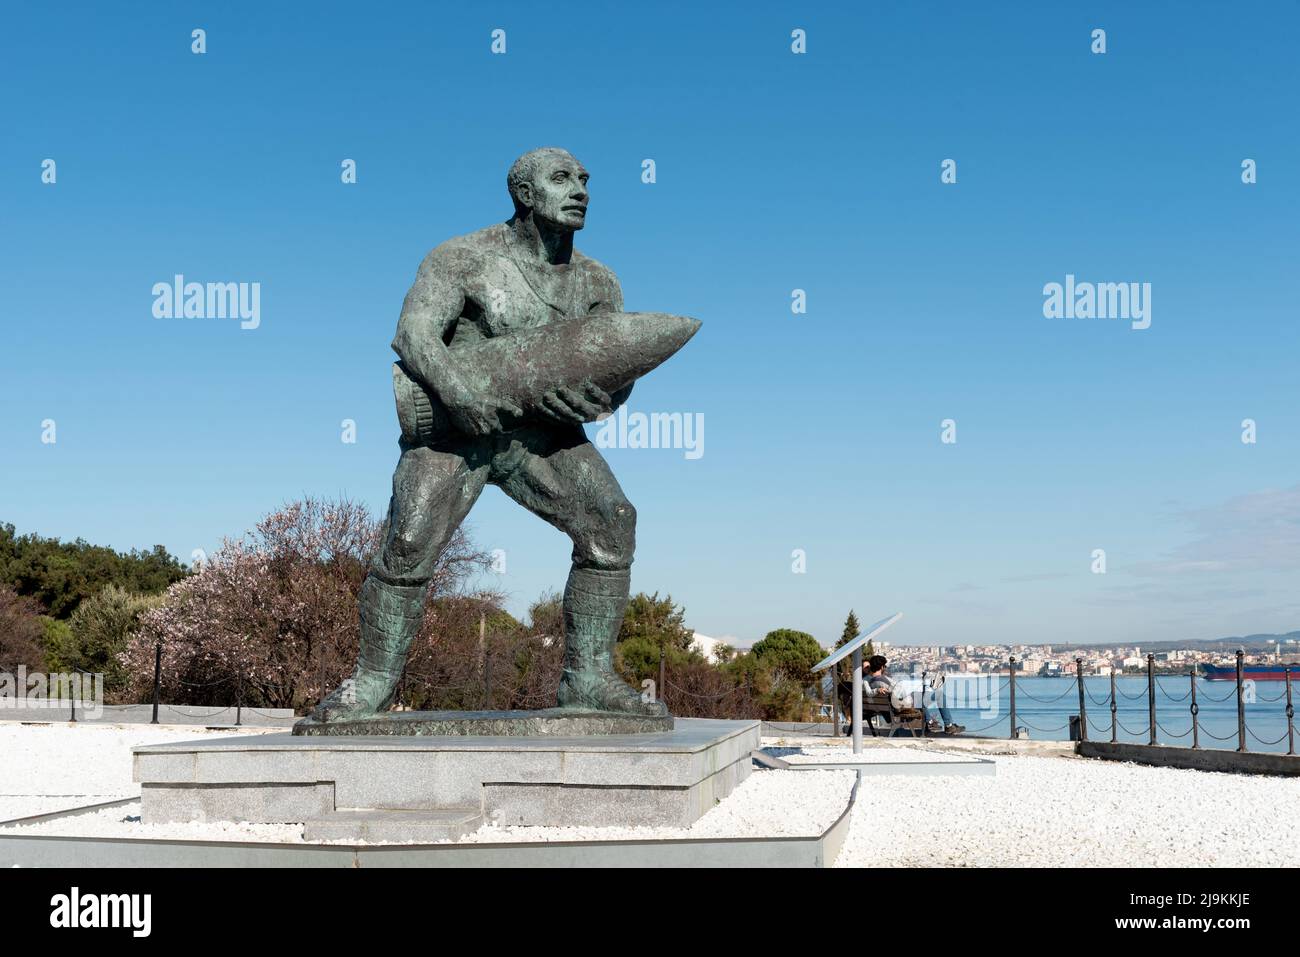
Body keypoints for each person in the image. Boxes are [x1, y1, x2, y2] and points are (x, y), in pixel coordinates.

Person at [306, 147, 668, 724]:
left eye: (584, 180)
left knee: (611, 520)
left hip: (542, 436)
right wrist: (458, 391)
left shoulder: (599, 283)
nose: (580, 190)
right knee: (407, 542)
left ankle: (588, 676)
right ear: (524, 194)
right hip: (455, 432)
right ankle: (371, 681)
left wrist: (598, 401)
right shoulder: (462, 258)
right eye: (562, 179)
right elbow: (414, 333)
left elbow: (615, 372)